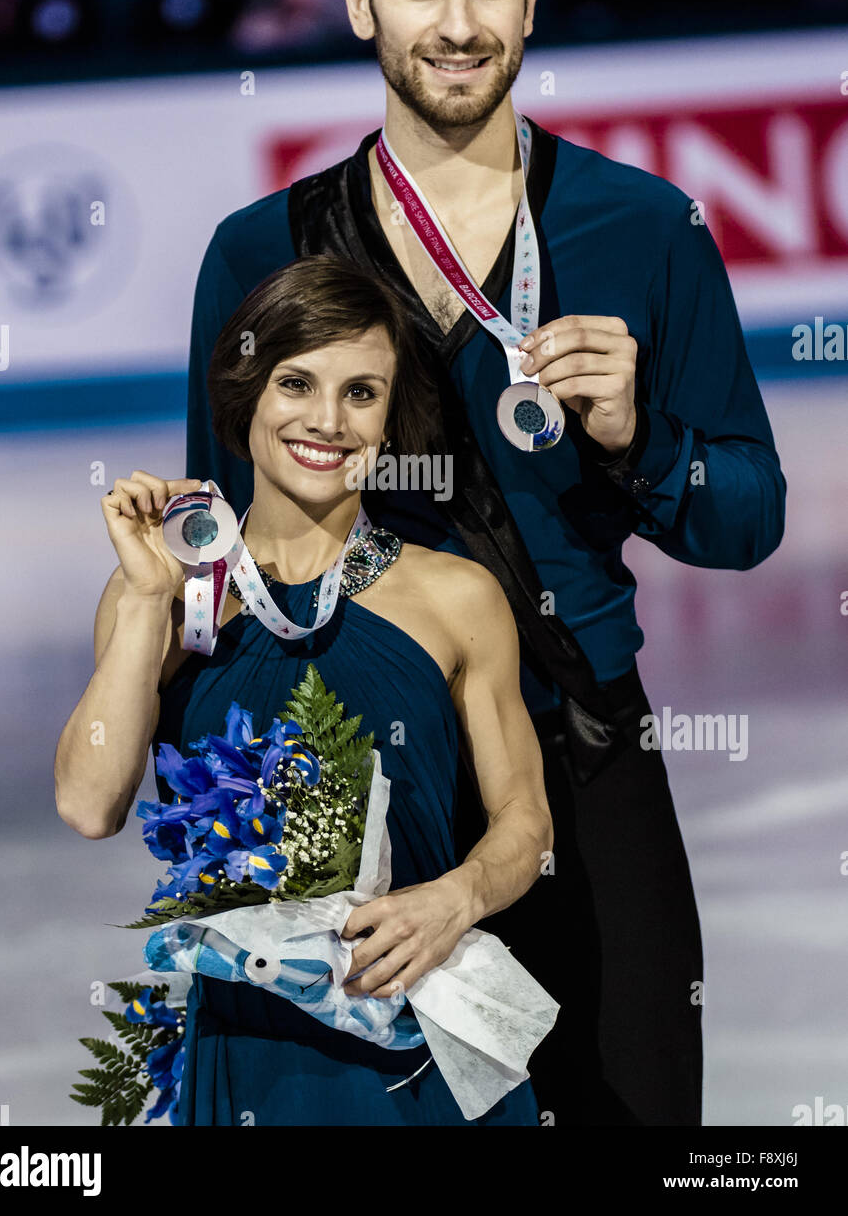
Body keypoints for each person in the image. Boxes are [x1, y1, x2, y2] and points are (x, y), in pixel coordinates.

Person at [183, 0, 787, 1126]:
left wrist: (642, 440)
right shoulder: (259, 254)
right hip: (360, 783)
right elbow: (216, 576)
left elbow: (747, 515)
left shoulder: (642, 227)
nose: (457, 28)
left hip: (585, 760)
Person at [54, 254, 554, 1126]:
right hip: (249, 1057)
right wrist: (142, 594)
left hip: (420, 1030)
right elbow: (90, 805)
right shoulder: (169, 591)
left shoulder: (456, 597)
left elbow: (526, 825)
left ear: (392, 420)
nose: (327, 420)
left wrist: (457, 897)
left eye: (362, 393)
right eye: (297, 383)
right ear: (246, 392)